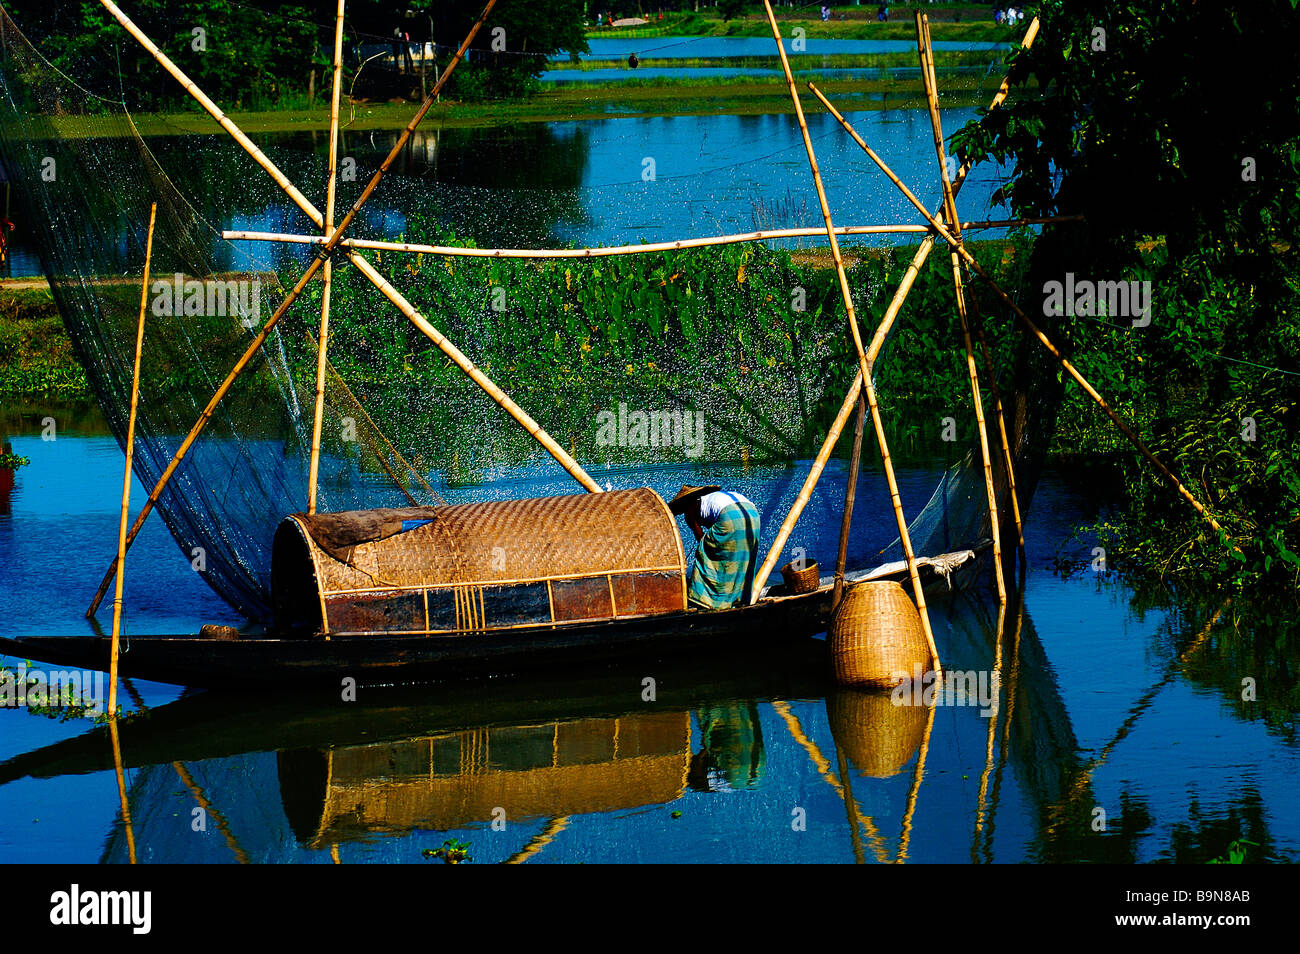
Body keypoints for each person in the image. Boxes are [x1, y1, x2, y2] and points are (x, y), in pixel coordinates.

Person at [669, 485, 762, 610]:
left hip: (731, 515)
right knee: (740, 558)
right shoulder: (708, 499)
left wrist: (704, 551)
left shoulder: (690, 510)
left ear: (686, 503)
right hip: (752, 514)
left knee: (706, 554)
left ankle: (705, 599)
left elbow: (701, 540)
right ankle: (738, 598)